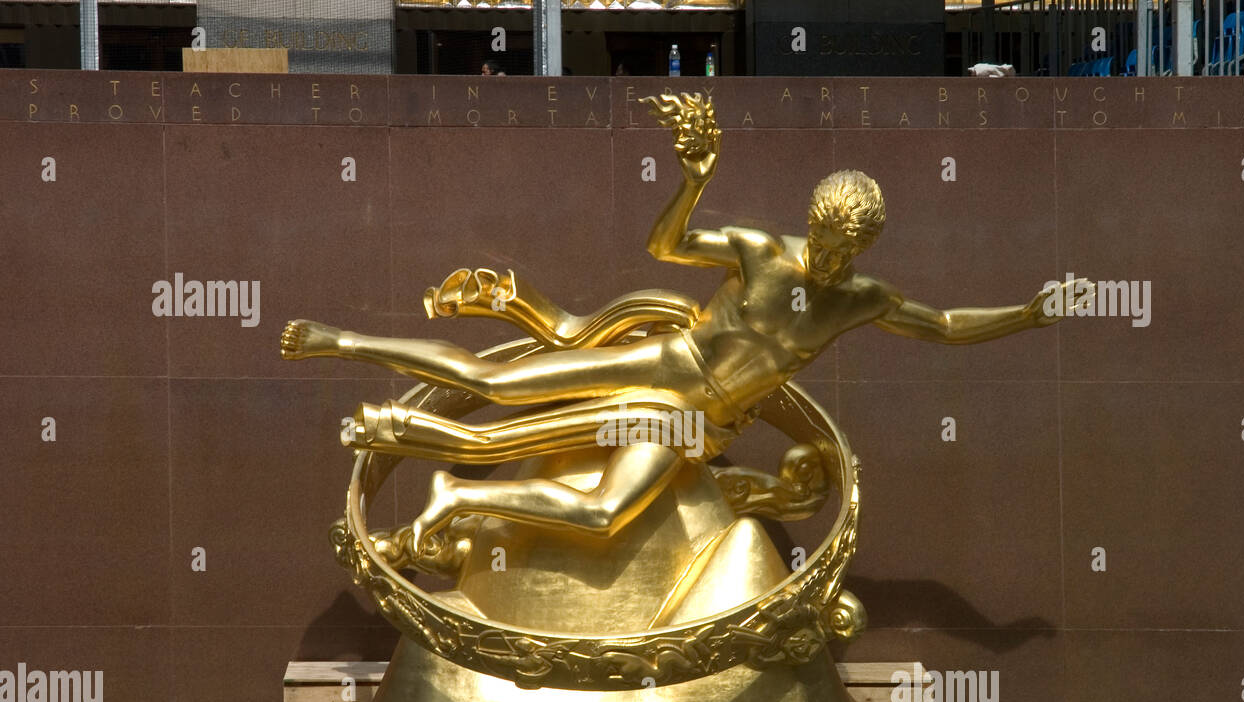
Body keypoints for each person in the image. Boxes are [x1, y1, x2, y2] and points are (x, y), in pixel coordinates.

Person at [281, 93, 1089, 552]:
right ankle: (342, 341)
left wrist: (1025, 313)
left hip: (693, 427)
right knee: (497, 382)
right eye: (834, 243)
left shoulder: (860, 299)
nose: (839, 260)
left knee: (603, 513)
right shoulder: (760, 250)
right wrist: (694, 179)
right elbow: (663, 244)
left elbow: (943, 324)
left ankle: (454, 497)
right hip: (664, 363)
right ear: (814, 224)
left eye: (855, 249)